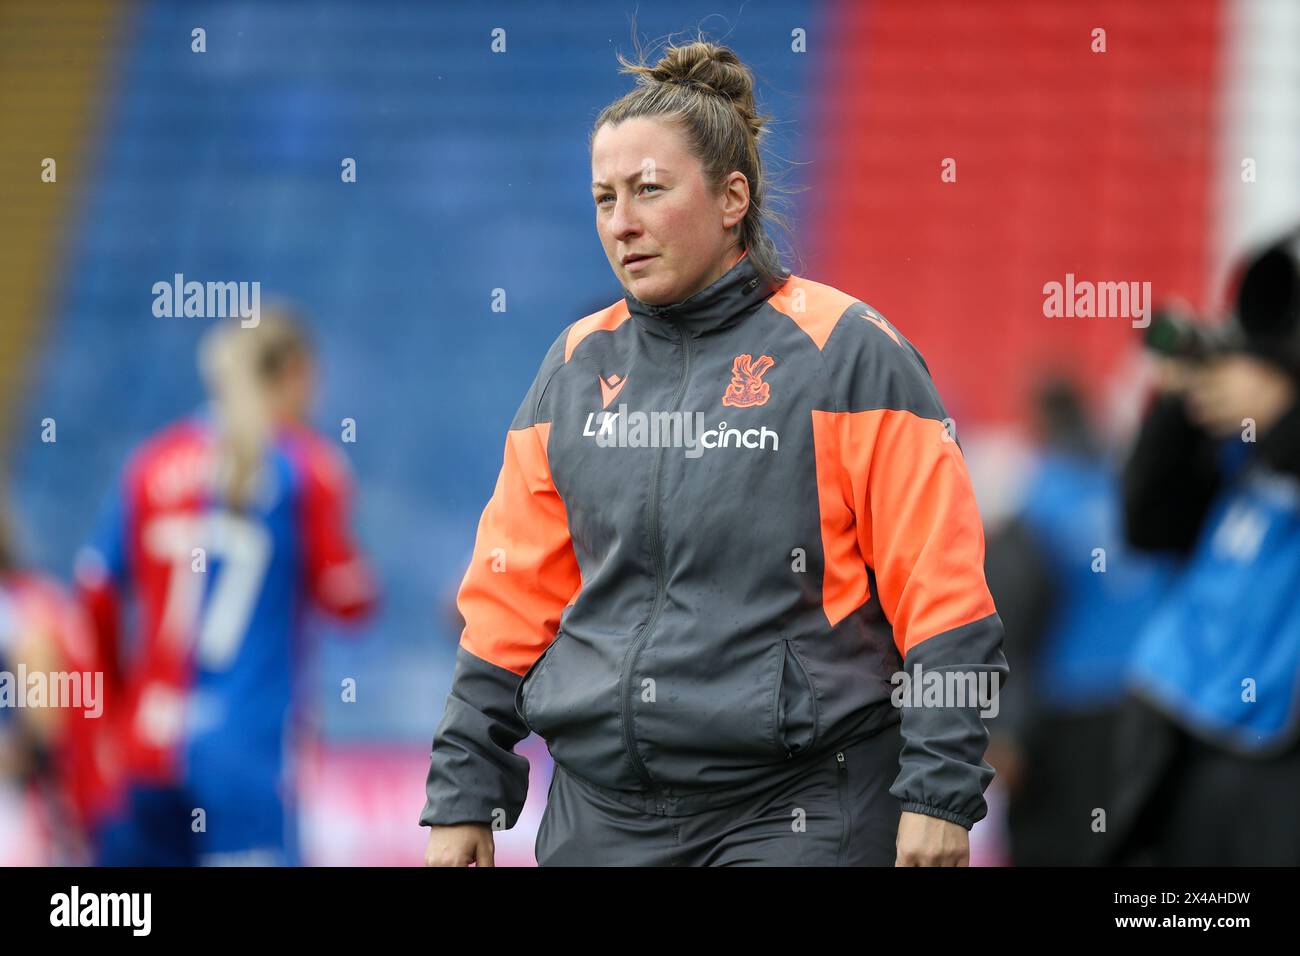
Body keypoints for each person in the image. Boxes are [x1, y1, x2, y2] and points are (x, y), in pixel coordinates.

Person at [420, 38, 1007, 867]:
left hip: (802, 807)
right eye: (603, 198)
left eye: (649, 191)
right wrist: (462, 792)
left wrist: (940, 792)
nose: (622, 222)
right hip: (600, 814)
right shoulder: (574, 367)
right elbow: (510, 604)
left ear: (733, 197)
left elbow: (946, 599)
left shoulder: (850, 353)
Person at [78, 307, 377, 865]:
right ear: (294, 372)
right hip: (248, 750)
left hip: (145, 743)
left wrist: (114, 707)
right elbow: (350, 600)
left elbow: (93, 587)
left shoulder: (151, 462)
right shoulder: (305, 467)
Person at [1110, 231, 1300, 865]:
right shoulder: (1241, 448)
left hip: (1274, 758)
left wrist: (1275, 413)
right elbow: (1146, 526)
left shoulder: (1273, 427)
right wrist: (1175, 407)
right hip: (1183, 731)